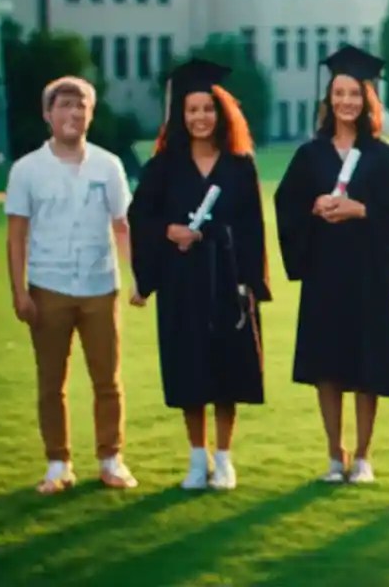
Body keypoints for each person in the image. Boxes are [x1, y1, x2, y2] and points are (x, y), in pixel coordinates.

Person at [274, 44, 389, 484]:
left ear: (367, 100)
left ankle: (363, 456)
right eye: (339, 94)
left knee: (367, 364)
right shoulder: (310, 155)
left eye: (354, 94)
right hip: (325, 272)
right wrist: (313, 205)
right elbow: (287, 205)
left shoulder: (383, 155)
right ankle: (334, 455)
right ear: (329, 99)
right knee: (328, 364)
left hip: (369, 273)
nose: (346, 102)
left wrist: (363, 211)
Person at [127, 59, 271, 491]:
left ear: (221, 112)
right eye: (192, 110)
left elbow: (252, 228)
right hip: (182, 282)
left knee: (229, 368)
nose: (201, 117)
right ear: (180, 115)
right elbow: (140, 216)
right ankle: (196, 457)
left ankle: (224, 458)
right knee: (189, 369)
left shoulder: (240, 166)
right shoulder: (163, 166)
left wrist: (250, 282)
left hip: (228, 280)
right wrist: (168, 232)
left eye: (208, 109)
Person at [4, 76, 139, 493]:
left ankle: (110, 458)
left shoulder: (108, 165)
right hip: (48, 286)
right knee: (51, 382)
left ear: (90, 114)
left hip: (101, 286)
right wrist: (20, 292)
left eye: (81, 106)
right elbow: (16, 235)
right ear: (48, 114)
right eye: (64, 105)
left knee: (107, 380)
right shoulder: (27, 169)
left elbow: (123, 226)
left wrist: (138, 278)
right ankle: (57, 463)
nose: (73, 113)